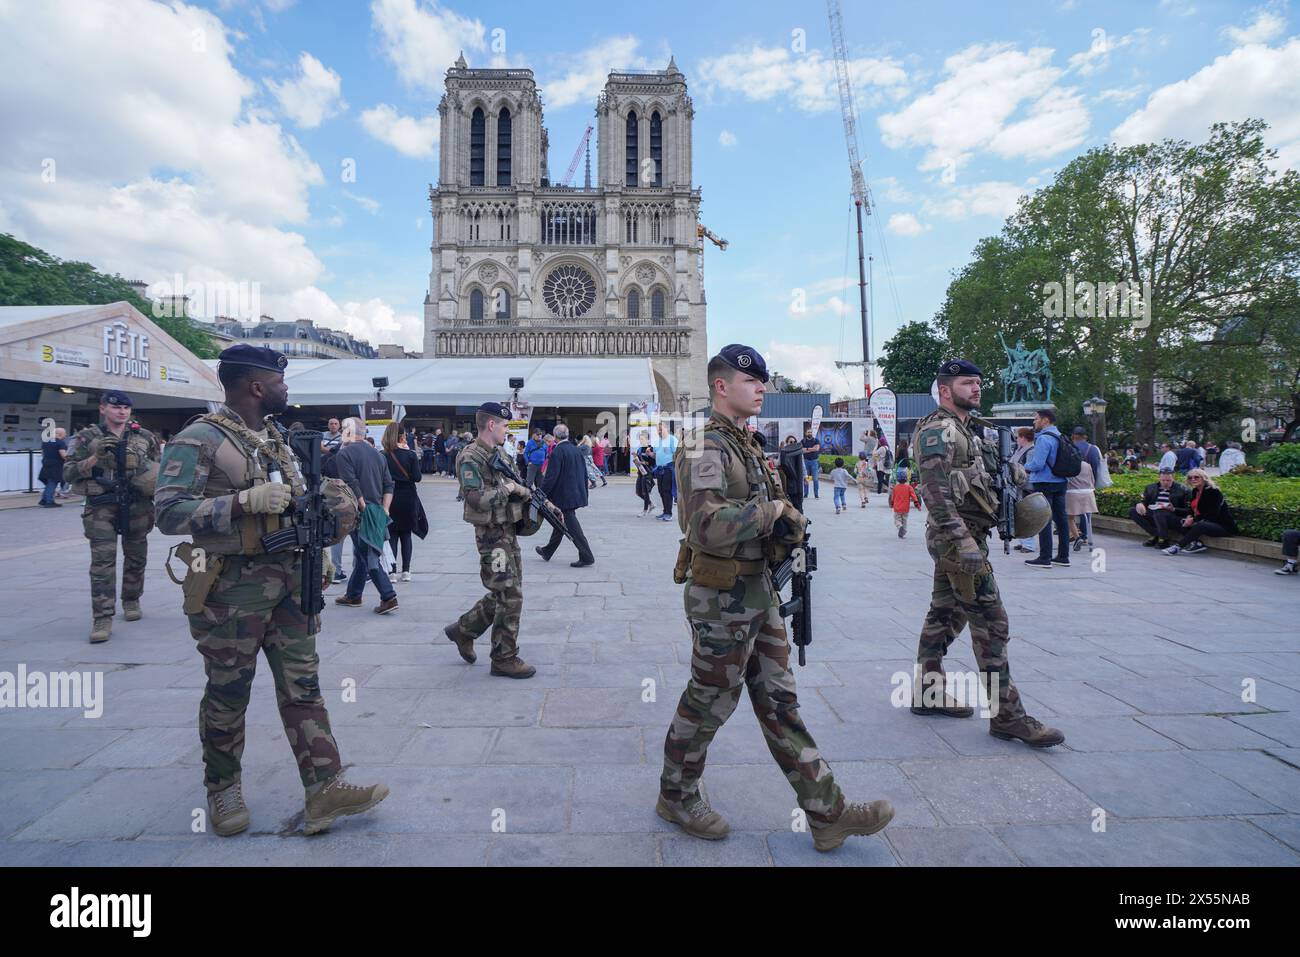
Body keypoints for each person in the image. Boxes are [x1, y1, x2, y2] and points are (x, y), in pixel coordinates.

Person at [658, 343, 895, 850]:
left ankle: (827, 813)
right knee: (709, 701)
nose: (762, 387)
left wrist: (786, 522)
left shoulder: (747, 443)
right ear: (721, 386)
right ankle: (675, 795)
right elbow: (705, 526)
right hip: (721, 597)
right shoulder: (704, 445)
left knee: (779, 702)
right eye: (751, 381)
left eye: (763, 380)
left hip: (758, 590)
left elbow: (769, 507)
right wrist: (774, 514)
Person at [154, 343, 388, 837]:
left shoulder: (277, 438)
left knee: (304, 688)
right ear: (255, 386)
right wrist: (242, 502)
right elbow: (169, 513)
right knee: (228, 692)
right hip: (229, 593)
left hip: (290, 582)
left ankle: (324, 788)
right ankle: (223, 789)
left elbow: (300, 502)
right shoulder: (199, 438)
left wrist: (317, 548)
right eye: (280, 381)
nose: (287, 389)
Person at [911, 358, 1064, 747]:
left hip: (968, 536)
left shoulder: (971, 431)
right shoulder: (938, 430)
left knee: (945, 615)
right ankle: (1008, 716)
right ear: (946, 389)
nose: (977, 388)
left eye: (979, 382)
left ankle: (927, 693)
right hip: (957, 540)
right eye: (967, 383)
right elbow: (934, 491)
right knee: (992, 623)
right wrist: (962, 541)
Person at [442, 402, 536, 678]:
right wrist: (508, 489)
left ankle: (463, 630)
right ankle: (504, 657)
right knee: (510, 595)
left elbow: (521, 486)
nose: (508, 431)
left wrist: (544, 504)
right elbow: (475, 499)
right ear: (491, 425)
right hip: (491, 536)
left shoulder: (500, 454)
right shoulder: (470, 456)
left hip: (506, 532)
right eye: (505, 426)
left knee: (506, 590)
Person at [62, 390, 161, 643]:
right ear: (103, 408)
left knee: (136, 557)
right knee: (102, 562)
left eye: (126, 408)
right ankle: (102, 617)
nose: (122, 412)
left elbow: (158, 468)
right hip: (101, 505)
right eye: (116, 407)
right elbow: (69, 473)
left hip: (137, 503)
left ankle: (131, 600)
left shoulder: (144, 436)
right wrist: (95, 458)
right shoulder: (86, 437)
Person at [333, 417, 398, 614]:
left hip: (360, 512)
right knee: (363, 553)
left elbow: (351, 484)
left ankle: (388, 596)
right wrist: (384, 509)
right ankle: (354, 594)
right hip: (378, 509)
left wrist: (363, 507)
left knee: (368, 555)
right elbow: (389, 484)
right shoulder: (378, 454)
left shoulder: (344, 454)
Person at [537, 423, 596, 567]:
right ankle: (547, 551)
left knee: (572, 526)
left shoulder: (558, 451)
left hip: (564, 496)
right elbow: (584, 473)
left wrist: (541, 493)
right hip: (575, 493)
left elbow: (551, 476)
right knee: (560, 521)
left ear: (555, 436)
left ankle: (587, 556)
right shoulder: (575, 450)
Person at [1023, 408, 1070, 568]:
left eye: (1036, 419)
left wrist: (1023, 466)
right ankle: (1063, 556)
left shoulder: (1043, 439)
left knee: (1044, 519)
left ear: (1045, 420)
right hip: (1061, 481)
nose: (1034, 422)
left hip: (1044, 482)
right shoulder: (1059, 436)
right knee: (1061, 519)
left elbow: (1037, 464)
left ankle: (1045, 557)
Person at [383, 421, 426, 581]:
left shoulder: (383, 455)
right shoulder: (410, 455)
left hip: (389, 497)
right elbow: (417, 477)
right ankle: (406, 571)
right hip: (408, 496)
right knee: (406, 535)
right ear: (402, 435)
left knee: (392, 535)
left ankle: (392, 572)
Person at [1164, 468, 1236, 555]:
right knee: (1175, 520)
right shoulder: (1195, 491)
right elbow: (1191, 509)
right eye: (1190, 478)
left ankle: (1177, 547)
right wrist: (1188, 517)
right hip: (1203, 522)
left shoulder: (1213, 492)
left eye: (1196, 477)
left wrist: (1193, 520)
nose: (1193, 479)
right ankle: (1196, 543)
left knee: (1200, 525)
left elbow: (1213, 513)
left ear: (1203, 478)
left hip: (1222, 525)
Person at [1128, 467, 1191, 548]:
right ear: (1159, 478)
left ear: (1173, 477)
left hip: (1173, 516)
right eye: (1163, 480)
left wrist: (1173, 509)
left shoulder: (1183, 490)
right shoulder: (1151, 488)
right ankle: (1157, 534)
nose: (1165, 483)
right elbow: (1145, 502)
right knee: (1132, 511)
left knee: (1159, 512)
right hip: (1155, 514)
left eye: (1168, 480)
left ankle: (1163, 540)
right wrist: (1140, 504)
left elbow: (1188, 510)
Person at [1009, 427, 1037, 553]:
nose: (1016, 439)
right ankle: (1023, 541)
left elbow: (1029, 469)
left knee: (1027, 515)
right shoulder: (1020, 450)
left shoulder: (1031, 451)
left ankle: (1029, 544)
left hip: (1026, 488)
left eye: (1018, 437)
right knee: (1019, 514)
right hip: (1019, 487)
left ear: (1023, 438)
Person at [1066, 458, 1098, 551]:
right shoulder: (1087, 465)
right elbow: (1092, 479)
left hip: (1073, 493)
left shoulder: (1068, 463)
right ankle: (1089, 540)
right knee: (1088, 518)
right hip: (1088, 493)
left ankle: (1077, 537)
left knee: (1069, 518)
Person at [652, 421, 678, 521]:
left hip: (668, 468)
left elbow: (677, 454)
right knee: (661, 490)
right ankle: (665, 511)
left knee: (667, 491)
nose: (659, 431)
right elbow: (655, 455)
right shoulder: (658, 441)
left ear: (666, 428)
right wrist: (650, 454)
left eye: (660, 429)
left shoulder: (672, 440)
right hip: (659, 468)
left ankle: (669, 513)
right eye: (657, 430)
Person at [38, 425, 69, 507]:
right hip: (56, 464)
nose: (65, 435)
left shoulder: (46, 441)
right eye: (65, 433)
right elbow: (63, 455)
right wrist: (70, 459)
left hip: (46, 463)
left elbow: (42, 453)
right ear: (60, 434)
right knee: (53, 482)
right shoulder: (60, 443)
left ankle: (43, 500)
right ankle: (49, 501)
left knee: (49, 482)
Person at [890, 468, 922, 538]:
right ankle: (903, 531)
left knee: (897, 520)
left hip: (897, 508)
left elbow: (893, 497)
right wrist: (917, 505)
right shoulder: (909, 487)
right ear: (906, 479)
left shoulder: (895, 488)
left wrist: (891, 504)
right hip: (905, 508)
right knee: (905, 520)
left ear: (898, 479)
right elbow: (914, 497)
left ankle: (899, 526)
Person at [633, 430, 657, 516]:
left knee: (645, 492)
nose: (641, 441)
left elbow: (652, 463)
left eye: (642, 439)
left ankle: (645, 510)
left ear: (647, 439)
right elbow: (639, 459)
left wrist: (642, 463)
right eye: (640, 439)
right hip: (640, 472)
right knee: (638, 492)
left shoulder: (650, 449)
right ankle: (651, 504)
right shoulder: (640, 448)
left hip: (647, 473)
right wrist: (635, 456)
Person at [800, 428, 822, 499]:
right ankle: (806, 494)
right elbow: (802, 450)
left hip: (814, 462)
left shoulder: (816, 440)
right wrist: (812, 449)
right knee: (807, 478)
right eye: (808, 432)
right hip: (806, 462)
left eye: (811, 432)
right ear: (806, 433)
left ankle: (816, 494)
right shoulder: (803, 441)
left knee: (815, 479)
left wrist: (806, 449)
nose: (810, 433)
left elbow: (817, 449)